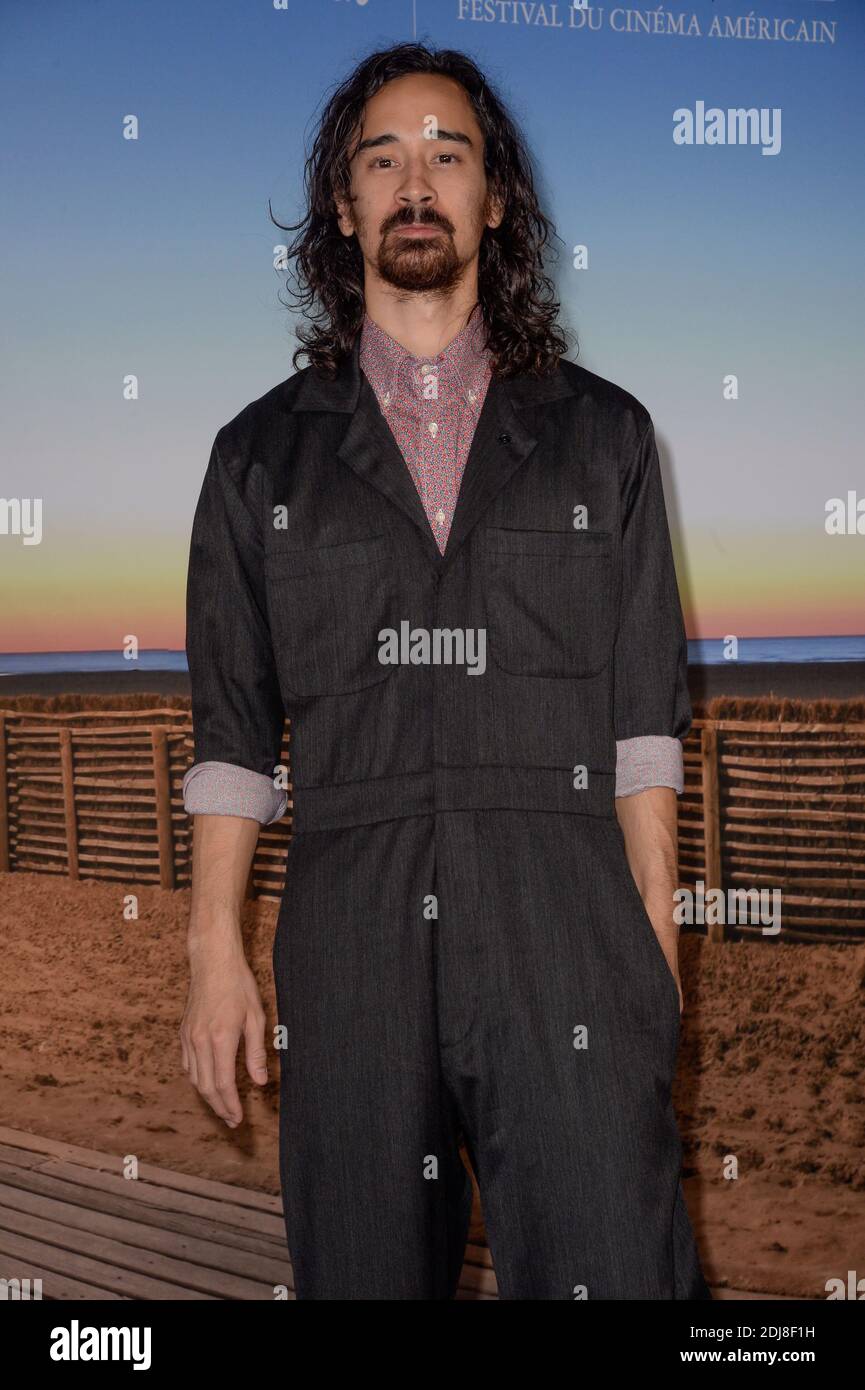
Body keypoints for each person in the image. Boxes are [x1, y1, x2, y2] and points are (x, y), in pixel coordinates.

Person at [180, 41, 712, 1301]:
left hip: (564, 932)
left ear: (494, 200)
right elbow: (234, 738)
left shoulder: (606, 437)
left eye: (447, 152)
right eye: (383, 158)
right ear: (346, 206)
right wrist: (212, 947)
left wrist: (650, 975)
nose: (415, 177)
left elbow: (643, 736)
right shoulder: (258, 459)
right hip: (350, 935)